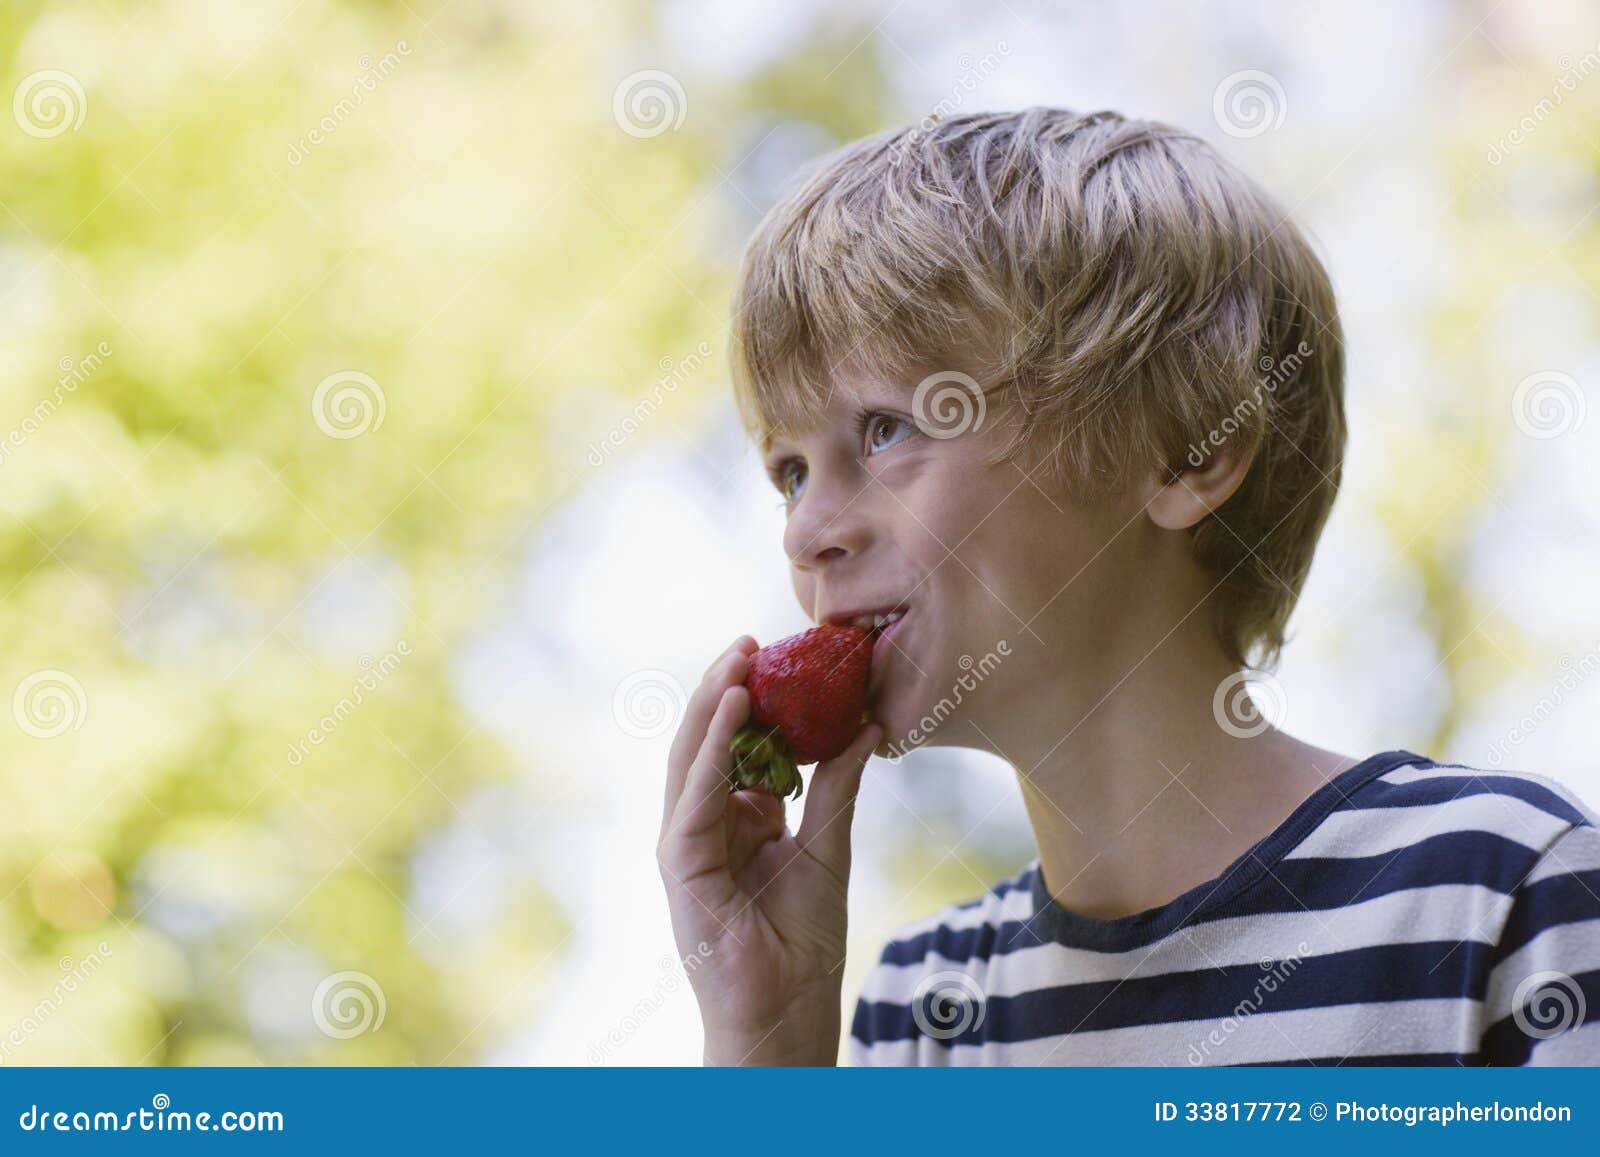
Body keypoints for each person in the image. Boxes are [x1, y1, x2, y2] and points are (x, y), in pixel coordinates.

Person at [657, 108, 1600, 1065]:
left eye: (886, 429)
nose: (809, 532)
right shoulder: (925, 1011)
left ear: (1187, 448)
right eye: (789, 472)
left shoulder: (1504, 896)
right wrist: (766, 1034)